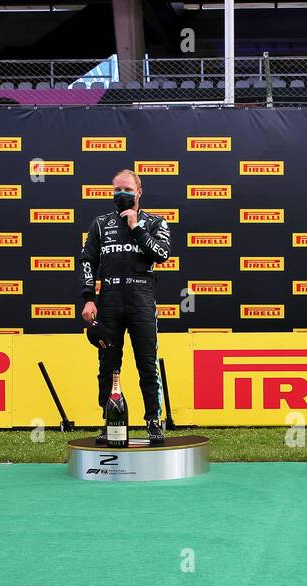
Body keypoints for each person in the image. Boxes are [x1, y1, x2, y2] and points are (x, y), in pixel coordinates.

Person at [79, 169, 172, 444]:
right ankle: (111, 422)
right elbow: (87, 261)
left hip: (142, 298)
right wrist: (87, 298)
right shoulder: (99, 224)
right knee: (107, 364)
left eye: (127, 190)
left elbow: (162, 253)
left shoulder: (155, 222)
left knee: (147, 363)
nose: (122, 195)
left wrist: (136, 228)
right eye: (117, 190)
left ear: (139, 192)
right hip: (109, 300)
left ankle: (153, 421)